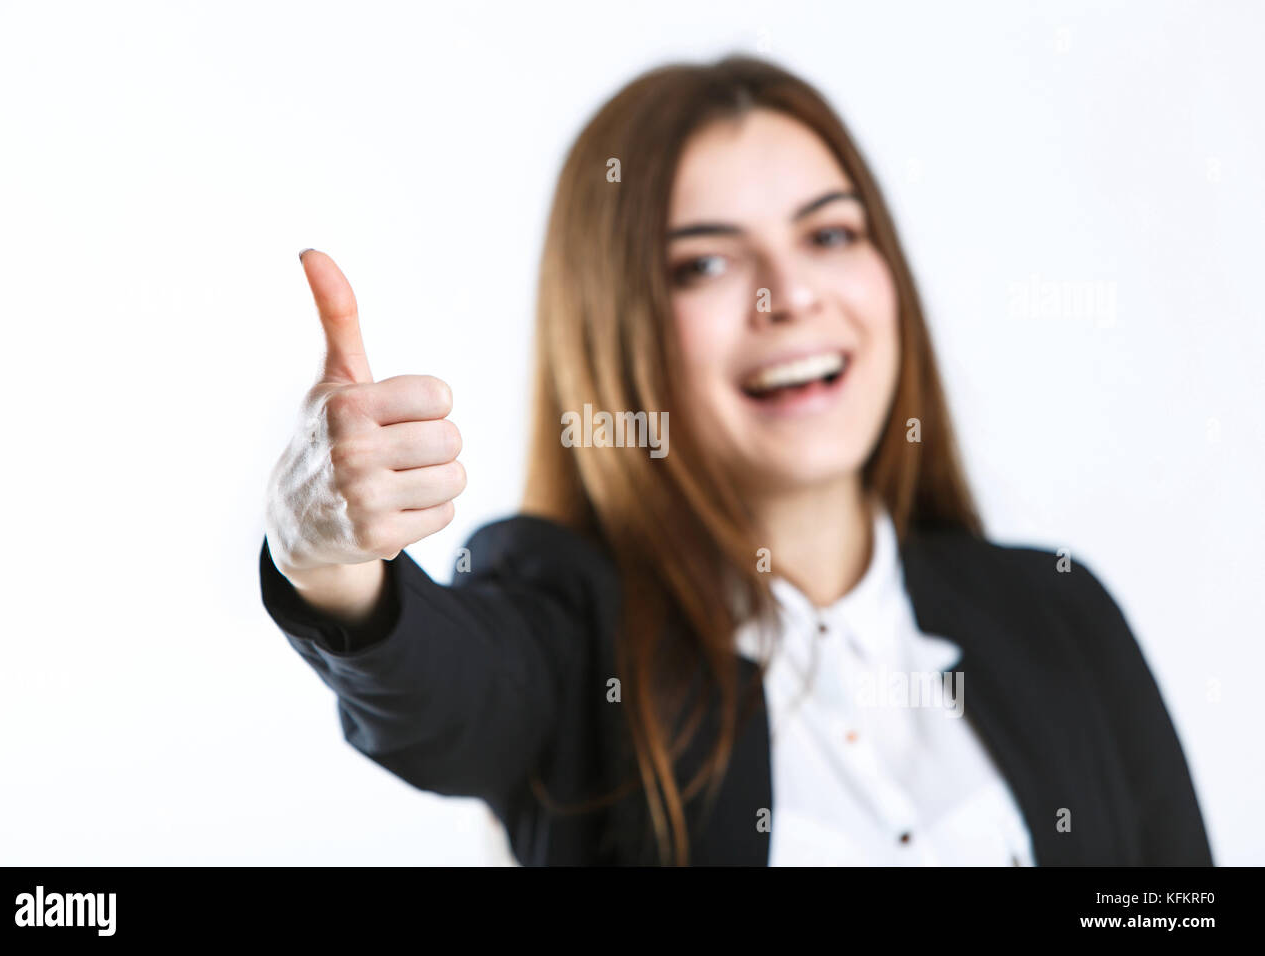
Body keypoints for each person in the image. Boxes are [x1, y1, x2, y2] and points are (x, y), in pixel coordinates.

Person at [258, 54, 1212, 866]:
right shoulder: (573, 624)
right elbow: (442, 698)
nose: (788, 295)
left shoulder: (1056, 614)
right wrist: (329, 560)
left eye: (830, 234)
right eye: (706, 265)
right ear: (617, 326)